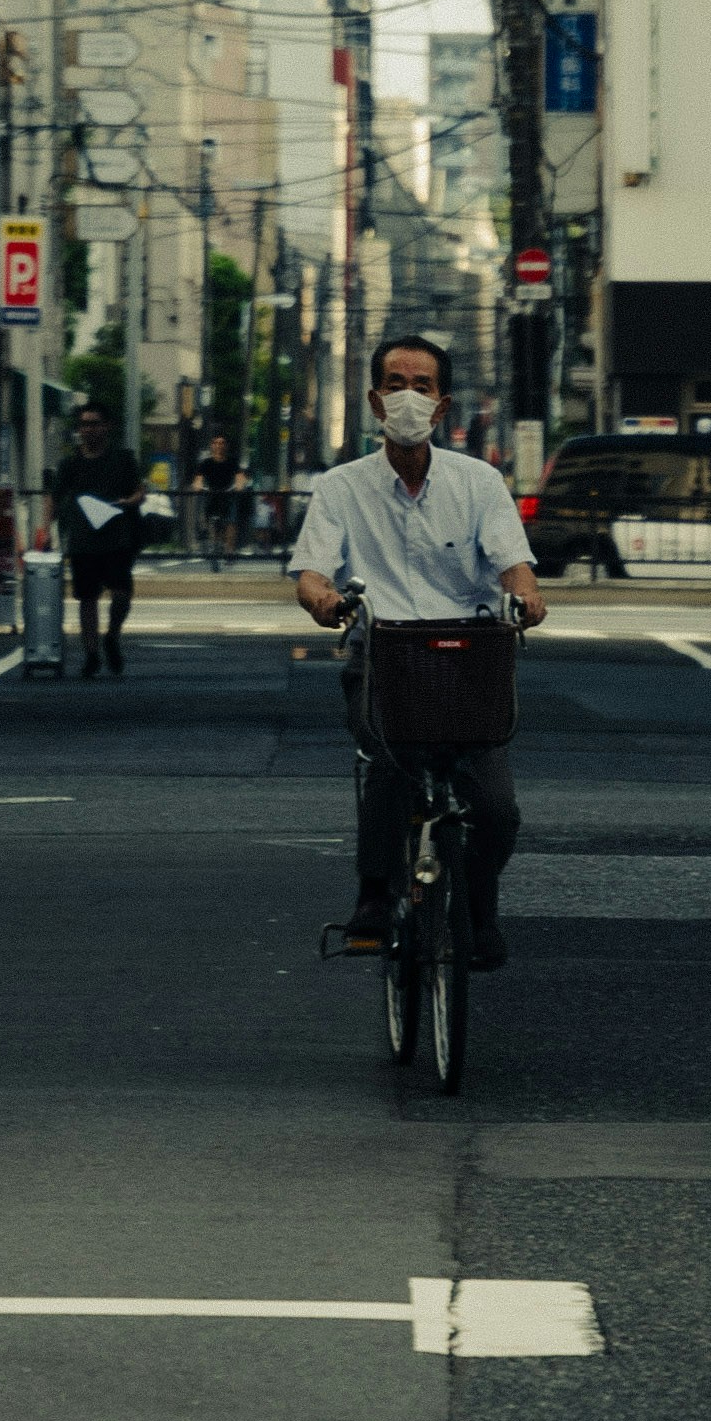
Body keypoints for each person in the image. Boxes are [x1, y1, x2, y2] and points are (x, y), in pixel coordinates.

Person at [290, 333, 545, 968]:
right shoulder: (342, 487)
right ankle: (374, 895)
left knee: (496, 811)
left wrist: (527, 597)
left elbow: (515, 565)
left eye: (422, 386)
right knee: (389, 762)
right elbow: (312, 574)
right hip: (385, 658)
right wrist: (324, 602)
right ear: (376, 403)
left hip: (470, 663)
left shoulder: (479, 482)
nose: (408, 397)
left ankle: (480, 902)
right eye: (395, 385)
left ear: (442, 405)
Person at [51, 400, 147, 677]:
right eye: (84, 424)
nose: (88, 429)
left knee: (121, 593)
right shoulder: (70, 464)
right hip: (83, 538)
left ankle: (112, 635)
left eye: (94, 423)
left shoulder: (123, 459)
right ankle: (91, 653)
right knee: (87, 597)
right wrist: (46, 531)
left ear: (107, 426)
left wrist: (127, 502)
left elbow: (139, 491)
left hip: (117, 535)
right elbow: (54, 497)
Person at [192, 424, 243, 566]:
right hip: (212, 495)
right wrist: (198, 486)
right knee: (212, 523)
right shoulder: (205, 463)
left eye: (222, 443)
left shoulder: (232, 461)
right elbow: (198, 479)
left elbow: (240, 478)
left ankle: (229, 552)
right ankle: (214, 547)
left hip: (228, 494)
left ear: (226, 445)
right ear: (211, 445)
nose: (219, 446)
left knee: (231, 522)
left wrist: (238, 486)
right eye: (215, 443)